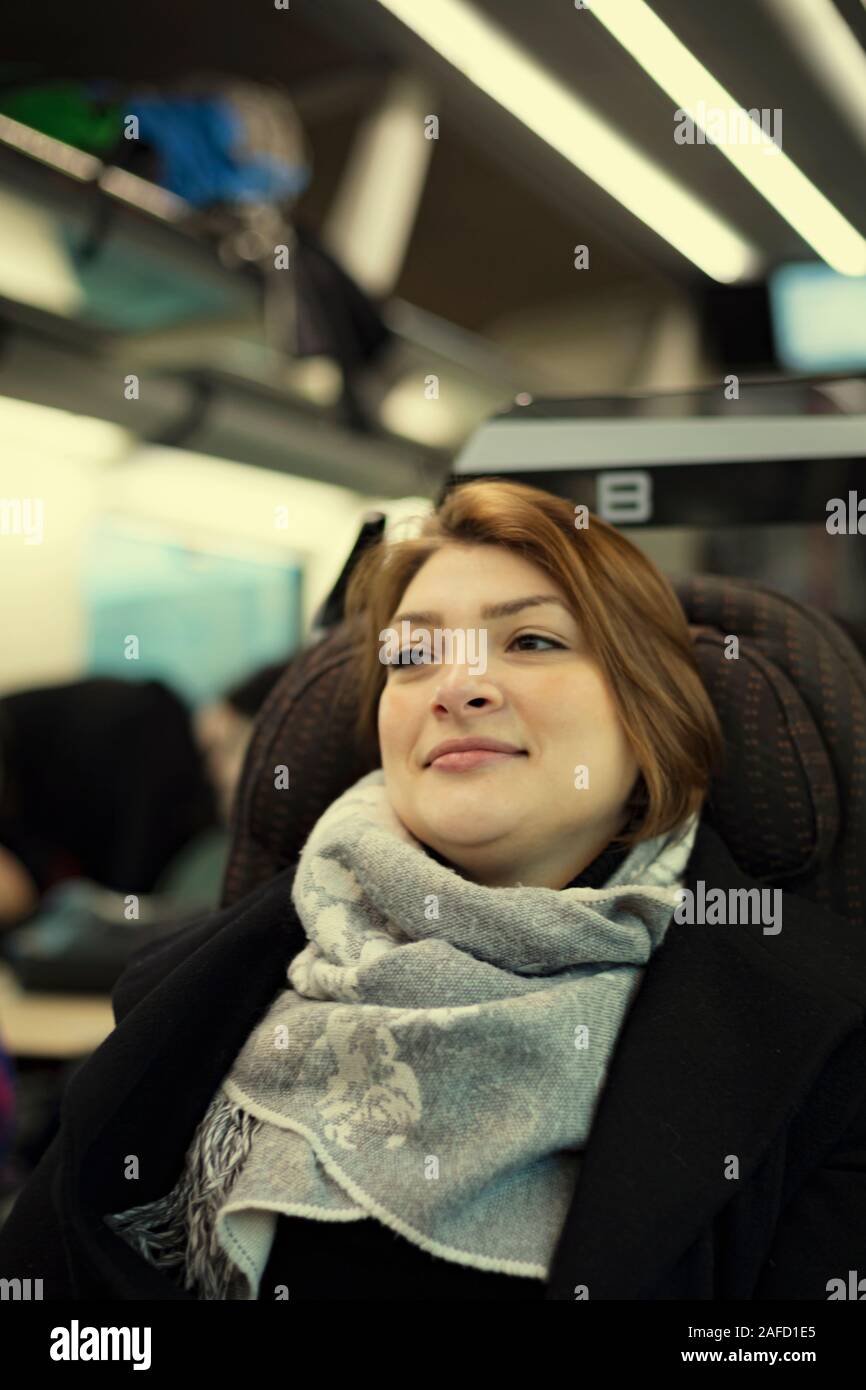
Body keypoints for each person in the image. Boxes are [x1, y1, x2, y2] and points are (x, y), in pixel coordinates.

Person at [1, 479, 865, 1300]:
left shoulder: (822, 1035)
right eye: (412, 656)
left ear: (652, 713)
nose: (456, 688)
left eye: (531, 641)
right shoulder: (205, 986)